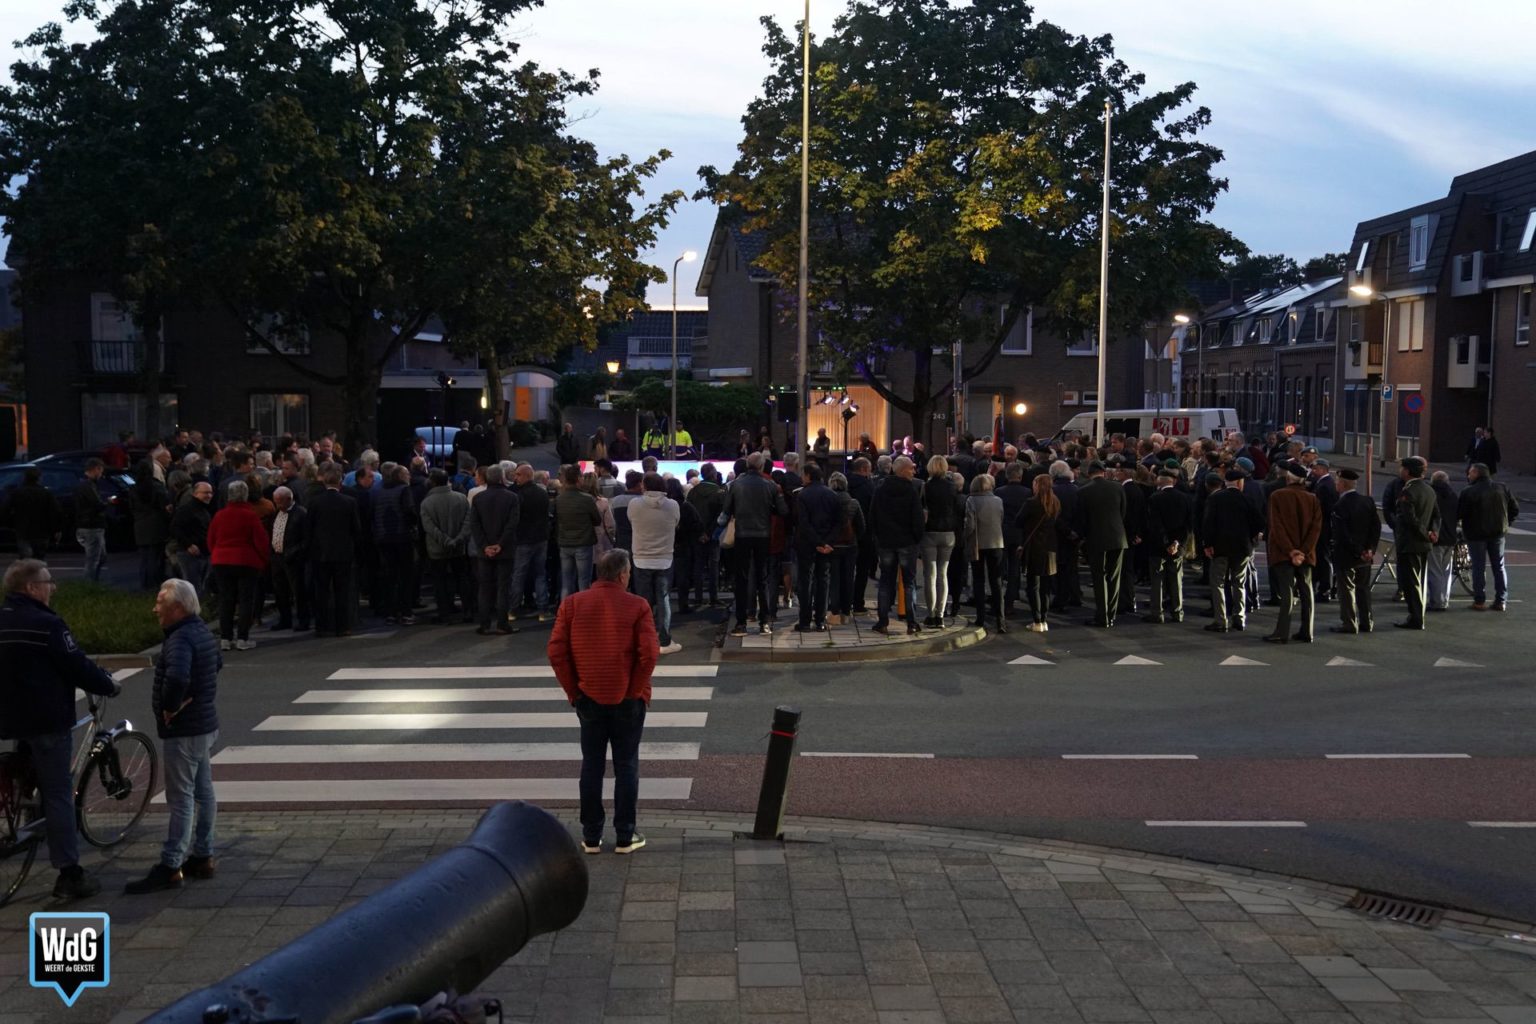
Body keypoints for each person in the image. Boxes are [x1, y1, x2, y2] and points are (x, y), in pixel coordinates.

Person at [0, 560, 121, 898]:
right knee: (58, 794)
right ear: (30, 588)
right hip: (46, 719)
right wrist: (108, 684)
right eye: (47, 582)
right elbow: (77, 666)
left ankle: (30, 823)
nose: (52, 587)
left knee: (29, 772)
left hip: (9, 719)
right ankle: (69, 873)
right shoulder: (47, 625)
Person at [547, 548, 657, 856]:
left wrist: (574, 690)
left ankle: (591, 835)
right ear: (623, 574)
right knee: (626, 765)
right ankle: (625, 835)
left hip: (589, 696)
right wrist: (635, 689)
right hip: (627, 698)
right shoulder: (637, 606)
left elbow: (556, 651)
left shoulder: (572, 604)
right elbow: (649, 653)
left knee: (592, 765)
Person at [124, 579, 221, 894]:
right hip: (204, 724)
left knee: (180, 798)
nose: (155, 609)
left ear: (177, 608)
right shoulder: (202, 631)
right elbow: (215, 663)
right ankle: (203, 855)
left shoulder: (179, 639)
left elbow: (178, 675)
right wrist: (197, 694)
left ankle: (171, 864)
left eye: (160, 604)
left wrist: (170, 706)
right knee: (203, 792)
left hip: (185, 730)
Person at [720, 452, 788, 636]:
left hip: (742, 535)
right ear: (761, 466)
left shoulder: (735, 485)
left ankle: (741, 623)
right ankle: (764, 622)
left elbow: (725, 511)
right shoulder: (771, 485)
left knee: (741, 579)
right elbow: (782, 511)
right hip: (763, 535)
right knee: (762, 578)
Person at [206, 480, 269, 651]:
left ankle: (225, 638)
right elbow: (261, 541)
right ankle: (242, 638)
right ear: (246, 495)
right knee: (246, 600)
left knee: (226, 600)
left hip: (221, 561)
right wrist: (263, 560)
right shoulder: (250, 515)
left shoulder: (219, 515)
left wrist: (216, 555)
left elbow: (211, 540)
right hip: (246, 561)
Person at [1265, 462, 1323, 644]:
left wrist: (1291, 551)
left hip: (1284, 554)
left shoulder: (1278, 496)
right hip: (1306, 555)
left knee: (1287, 592)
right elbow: (1316, 528)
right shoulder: (1312, 499)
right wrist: (1303, 551)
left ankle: (1282, 632)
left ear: (1288, 478)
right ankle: (1307, 631)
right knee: (1307, 591)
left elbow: (1277, 526)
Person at [869, 456, 924, 635]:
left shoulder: (881, 489)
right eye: (911, 468)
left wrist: (877, 537)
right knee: (909, 583)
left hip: (886, 542)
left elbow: (873, 514)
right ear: (902, 470)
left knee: (886, 581)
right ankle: (912, 622)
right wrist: (917, 539)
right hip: (907, 542)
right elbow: (917, 518)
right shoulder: (911, 490)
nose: (914, 471)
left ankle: (883, 621)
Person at [1202, 471, 1263, 633]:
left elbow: (1208, 523)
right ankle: (1239, 618)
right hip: (1242, 548)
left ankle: (1221, 620)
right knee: (1239, 583)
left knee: (1218, 583)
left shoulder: (1215, 498)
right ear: (1239, 483)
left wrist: (1208, 544)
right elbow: (1258, 523)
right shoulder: (1247, 499)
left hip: (1220, 547)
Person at [628, 473, 682, 654]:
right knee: (663, 599)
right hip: (664, 558)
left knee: (643, 601)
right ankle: (664, 641)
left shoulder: (635, 504)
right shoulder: (672, 505)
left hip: (641, 557)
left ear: (644, 485)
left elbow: (630, 521)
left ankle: (644, 639)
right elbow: (676, 523)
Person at [307, 465, 363, 637]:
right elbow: (356, 530)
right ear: (340, 483)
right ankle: (343, 626)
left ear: (324, 482)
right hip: (343, 553)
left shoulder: (315, 502)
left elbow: (309, 529)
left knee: (321, 592)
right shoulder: (349, 502)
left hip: (321, 554)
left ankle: (322, 626)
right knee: (342, 592)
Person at [1073, 462, 1127, 628]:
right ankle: (1111, 613)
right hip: (1118, 537)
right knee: (1114, 577)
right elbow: (1123, 511)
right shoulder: (1118, 488)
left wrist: (1081, 537)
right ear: (1103, 472)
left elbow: (1082, 518)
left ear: (1089, 473)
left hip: (1096, 539)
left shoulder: (1083, 491)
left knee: (1099, 578)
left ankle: (1102, 616)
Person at [1458, 462, 1518, 611]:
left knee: (1478, 567)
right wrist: (1506, 522)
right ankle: (1501, 600)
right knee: (1499, 566)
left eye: (1471, 472)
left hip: (1476, 534)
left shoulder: (1468, 491)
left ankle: (1479, 600)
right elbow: (1514, 508)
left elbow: (1460, 513)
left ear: (1477, 474)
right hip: (1497, 532)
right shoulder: (1502, 487)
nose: (1468, 475)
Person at [793, 463, 844, 632]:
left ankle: (805, 621)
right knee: (823, 581)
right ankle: (820, 620)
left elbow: (804, 524)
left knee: (805, 581)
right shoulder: (832, 495)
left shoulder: (802, 495)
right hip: (827, 546)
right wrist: (827, 542)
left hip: (807, 544)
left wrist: (817, 543)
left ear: (808, 476)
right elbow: (839, 522)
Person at [470, 464, 520, 635]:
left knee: (484, 587)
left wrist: (484, 546)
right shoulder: (512, 497)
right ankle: (502, 623)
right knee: (503, 587)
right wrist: (500, 544)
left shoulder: (478, 498)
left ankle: (484, 623)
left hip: (484, 551)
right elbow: (512, 525)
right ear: (501, 477)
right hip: (505, 550)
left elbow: (475, 525)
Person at [1329, 468, 1380, 634]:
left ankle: (1349, 623)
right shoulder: (1367, 501)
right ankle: (1367, 621)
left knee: (1346, 590)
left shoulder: (1340, 505)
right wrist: (1370, 549)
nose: (1336, 484)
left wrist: (1357, 551)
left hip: (1347, 555)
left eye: (1337, 482)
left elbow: (1342, 533)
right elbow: (1376, 527)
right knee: (1363, 589)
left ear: (1342, 484)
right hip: (1366, 555)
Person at [421, 468, 474, 623]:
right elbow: (468, 521)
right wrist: (457, 539)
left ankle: (444, 613)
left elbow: (429, 527)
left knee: (440, 581)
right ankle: (468, 611)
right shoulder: (461, 498)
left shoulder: (427, 502)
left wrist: (445, 540)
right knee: (462, 578)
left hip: (437, 549)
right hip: (458, 547)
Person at [1393, 457, 1441, 630]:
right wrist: (1434, 532)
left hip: (1410, 542)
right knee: (1419, 579)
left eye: (1402, 468)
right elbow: (1437, 515)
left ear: (1407, 471)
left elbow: (1409, 519)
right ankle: (1416, 615)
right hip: (1424, 544)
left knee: (1411, 582)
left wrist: (1425, 534)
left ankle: (1416, 617)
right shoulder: (1429, 490)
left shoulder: (1408, 491)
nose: (1400, 471)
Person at [1143, 468, 1193, 624]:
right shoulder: (1185, 498)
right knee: (1176, 579)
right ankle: (1178, 612)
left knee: (1157, 580)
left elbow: (1155, 525)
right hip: (1178, 546)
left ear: (1160, 480)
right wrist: (1176, 543)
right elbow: (1188, 525)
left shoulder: (1154, 498)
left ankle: (1157, 613)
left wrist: (1166, 543)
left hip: (1158, 546)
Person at [963, 473, 1007, 633]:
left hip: (977, 544)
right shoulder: (998, 500)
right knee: (996, 581)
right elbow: (1001, 519)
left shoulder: (971, 500)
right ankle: (1000, 619)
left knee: (979, 581)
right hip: (996, 543)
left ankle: (980, 617)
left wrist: (964, 537)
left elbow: (970, 525)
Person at [1015, 474, 1059, 632]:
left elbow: (1018, 521)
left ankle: (1037, 620)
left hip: (1034, 547)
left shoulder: (1031, 503)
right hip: (1051, 548)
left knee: (1033, 585)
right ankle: (1045, 620)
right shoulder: (1055, 502)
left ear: (1038, 485)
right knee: (1046, 587)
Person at [919, 455, 959, 628]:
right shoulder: (952, 487)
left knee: (930, 574)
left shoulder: (926, 487)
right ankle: (941, 615)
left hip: (930, 532)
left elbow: (922, 507)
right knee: (943, 574)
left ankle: (931, 614)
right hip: (948, 532)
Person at [509, 463, 552, 623]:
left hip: (523, 540)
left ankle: (512, 610)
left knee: (518, 576)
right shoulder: (542, 493)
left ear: (527, 475)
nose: (515, 478)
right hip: (540, 539)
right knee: (540, 574)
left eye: (518, 475)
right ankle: (543, 610)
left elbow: (515, 519)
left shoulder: (518, 495)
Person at [554, 464, 603, 599]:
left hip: (564, 543)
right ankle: (584, 612)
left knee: (567, 582)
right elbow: (597, 520)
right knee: (583, 581)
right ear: (578, 479)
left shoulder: (559, 499)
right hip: (583, 542)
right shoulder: (586, 498)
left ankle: (565, 612)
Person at [268, 486, 310, 632]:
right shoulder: (277, 514)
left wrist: (294, 552)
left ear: (289, 499)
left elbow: (307, 539)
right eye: (275, 502)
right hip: (277, 558)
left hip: (294, 559)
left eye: (280, 502)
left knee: (298, 591)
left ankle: (303, 620)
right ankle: (285, 619)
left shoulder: (301, 514)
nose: (277, 505)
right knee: (280, 591)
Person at [686, 464, 726, 609]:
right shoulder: (719, 492)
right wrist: (709, 533)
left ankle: (698, 598)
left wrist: (699, 533)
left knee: (698, 566)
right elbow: (720, 516)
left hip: (697, 536)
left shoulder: (693, 492)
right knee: (714, 565)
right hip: (713, 535)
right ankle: (714, 598)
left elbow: (689, 515)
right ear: (714, 474)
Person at [827, 471, 864, 623]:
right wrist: (855, 539)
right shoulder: (853, 503)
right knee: (848, 578)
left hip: (833, 545)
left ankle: (834, 612)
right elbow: (861, 526)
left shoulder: (827, 501)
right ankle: (846, 612)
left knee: (833, 578)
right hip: (850, 545)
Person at [1049, 461, 1082, 613]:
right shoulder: (1077, 489)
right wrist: (1075, 532)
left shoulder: (1052, 491)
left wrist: (1066, 531)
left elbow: (1053, 515)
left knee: (1059, 568)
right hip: (1074, 535)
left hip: (1057, 535)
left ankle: (1060, 599)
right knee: (1072, 566)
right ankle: (1075, 595)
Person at [172, 481, 215, 598]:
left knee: (200, 585)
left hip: (202, 552)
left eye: (211, 493)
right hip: (190, 554)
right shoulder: (186, 510)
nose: (209, 496)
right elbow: (176, 528)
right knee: (193, 586)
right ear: (195, 494)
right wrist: (188, 545)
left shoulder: (204, 509)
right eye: (205, 493)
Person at [1426, 470, 1460, 612]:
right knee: (1446, 571)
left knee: (1434, 570)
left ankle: (1436, 601)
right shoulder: (1453, 495)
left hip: (1436, 537)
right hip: (1451, 538)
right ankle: (1444, 600)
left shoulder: (1431, 495)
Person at [846, 457, 877, 612]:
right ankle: (858, 602)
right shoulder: (869, 487)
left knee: (846, 568)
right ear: (864, 469)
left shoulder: (845, 484)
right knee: (862, 569)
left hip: (846, 533)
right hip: (865, 533)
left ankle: (843, 601)